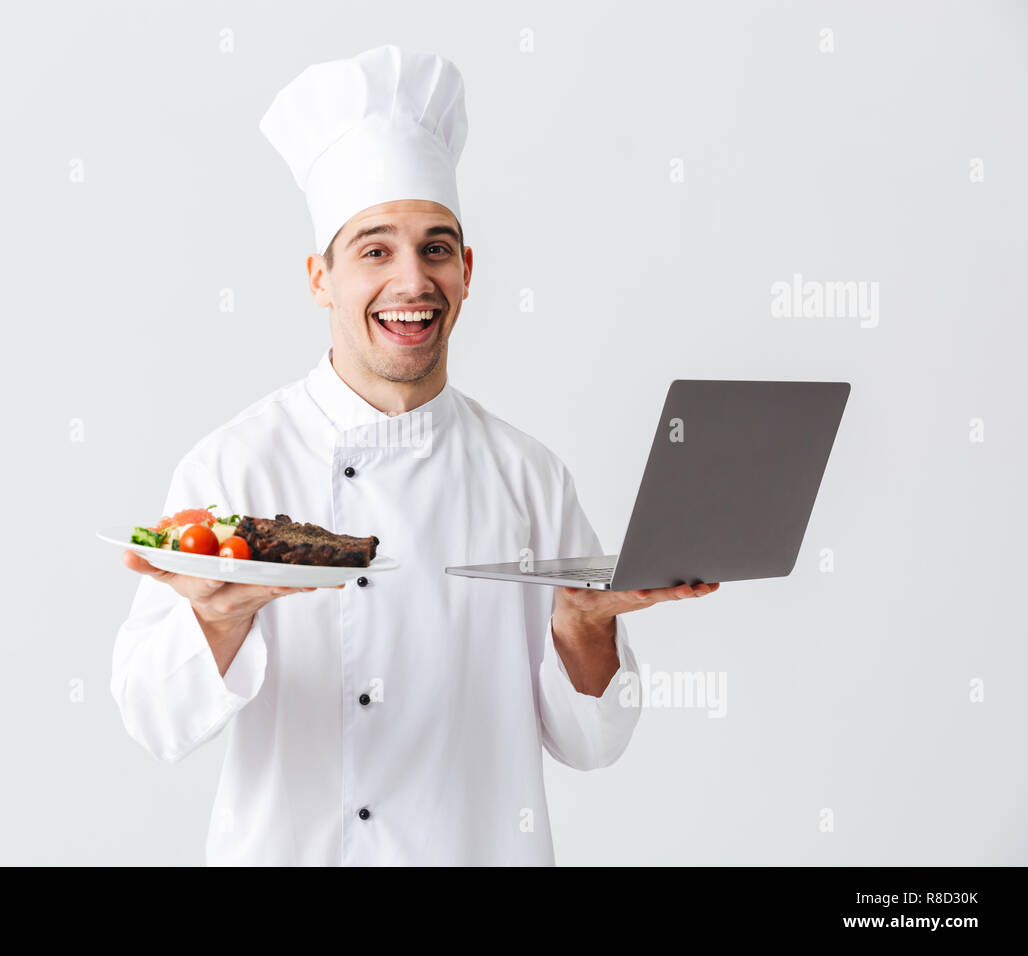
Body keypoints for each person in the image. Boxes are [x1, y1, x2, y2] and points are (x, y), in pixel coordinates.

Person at [110, 44, 719, 866]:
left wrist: (582, 628)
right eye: (373, 250)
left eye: (436, 248)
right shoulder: (233, 469)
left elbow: (595, 744)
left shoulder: (528, 475)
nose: (413, 281)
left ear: (466, 272)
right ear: (319, 278)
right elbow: (152, 719)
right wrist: (215, 620)